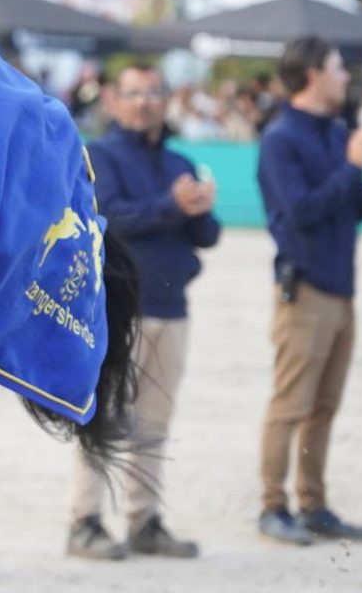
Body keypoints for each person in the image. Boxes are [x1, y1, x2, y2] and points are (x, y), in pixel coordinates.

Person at [255, 37, 362, 545]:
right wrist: (352, 167)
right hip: (304, 289)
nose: (345, 76)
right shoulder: (281, 139)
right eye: (336, 67)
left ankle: (313, 504)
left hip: (341, 291)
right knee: (290, 404)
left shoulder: (334, 133)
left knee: (324, 406)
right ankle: (272, 507)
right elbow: (303, 212)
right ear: (311, 74)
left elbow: (350, 210)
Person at [66, 63, 216, 561]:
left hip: (173, 308)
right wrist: (172, 207)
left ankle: (145, 520)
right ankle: (85, 521)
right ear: (113, 100)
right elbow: (107, 218)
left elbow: (208, 236)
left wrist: (200, 212)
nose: (145, 102)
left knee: (154, 421)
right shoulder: (100, 156)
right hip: (118, 309)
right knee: (105, 415)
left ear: (167, 100)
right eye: (134, 93)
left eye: (153, 93)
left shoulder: (179, 162)